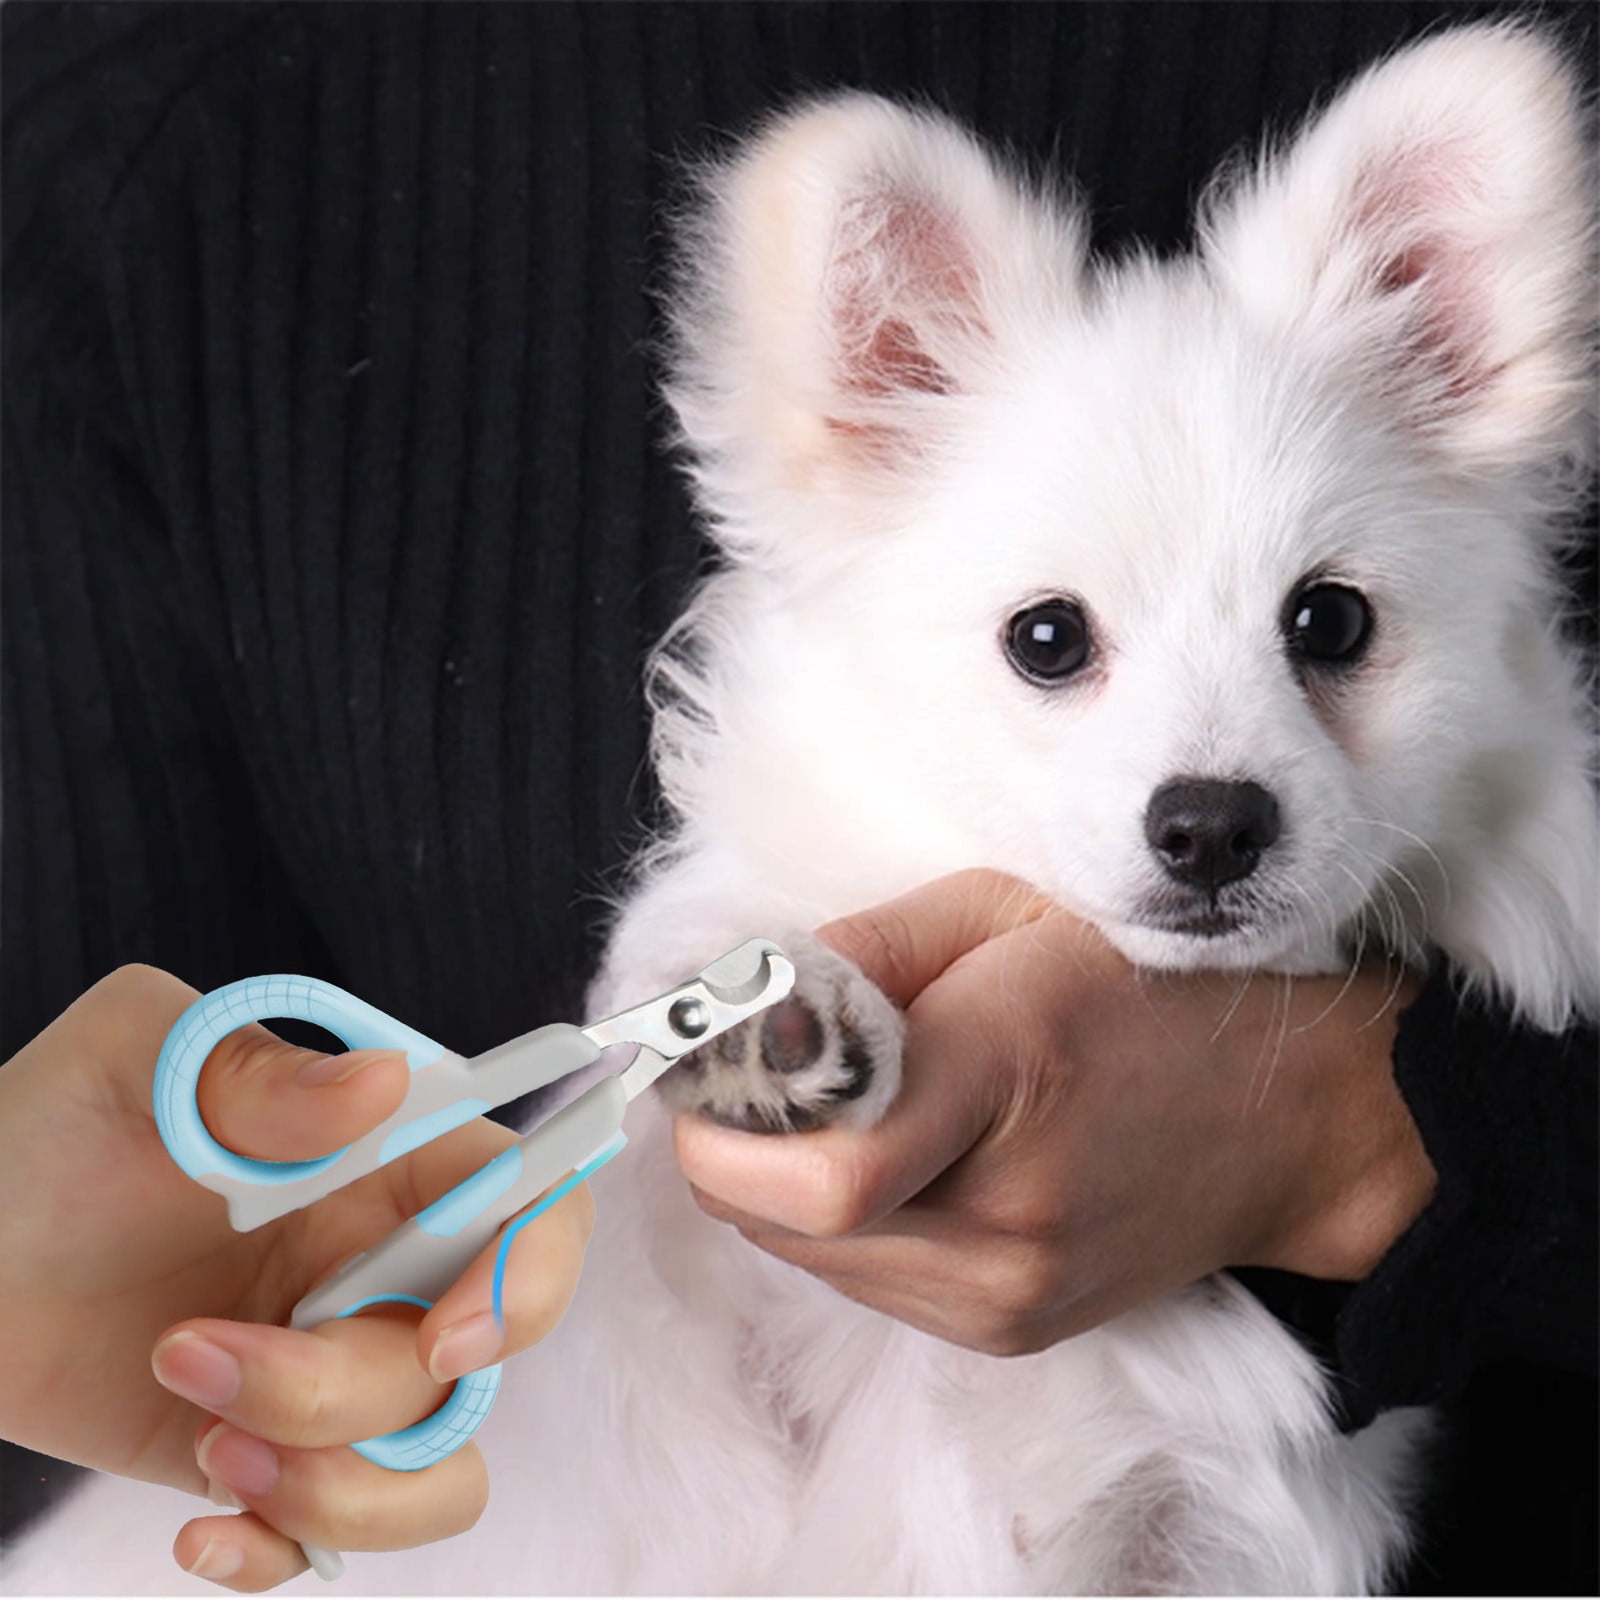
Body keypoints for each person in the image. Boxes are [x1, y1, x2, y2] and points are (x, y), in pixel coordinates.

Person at [4, 3, 1594, 1593]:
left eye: (1330, 629)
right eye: (1051, 644)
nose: (1211, 787)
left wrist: (1370, 1150)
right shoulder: (156, 161)